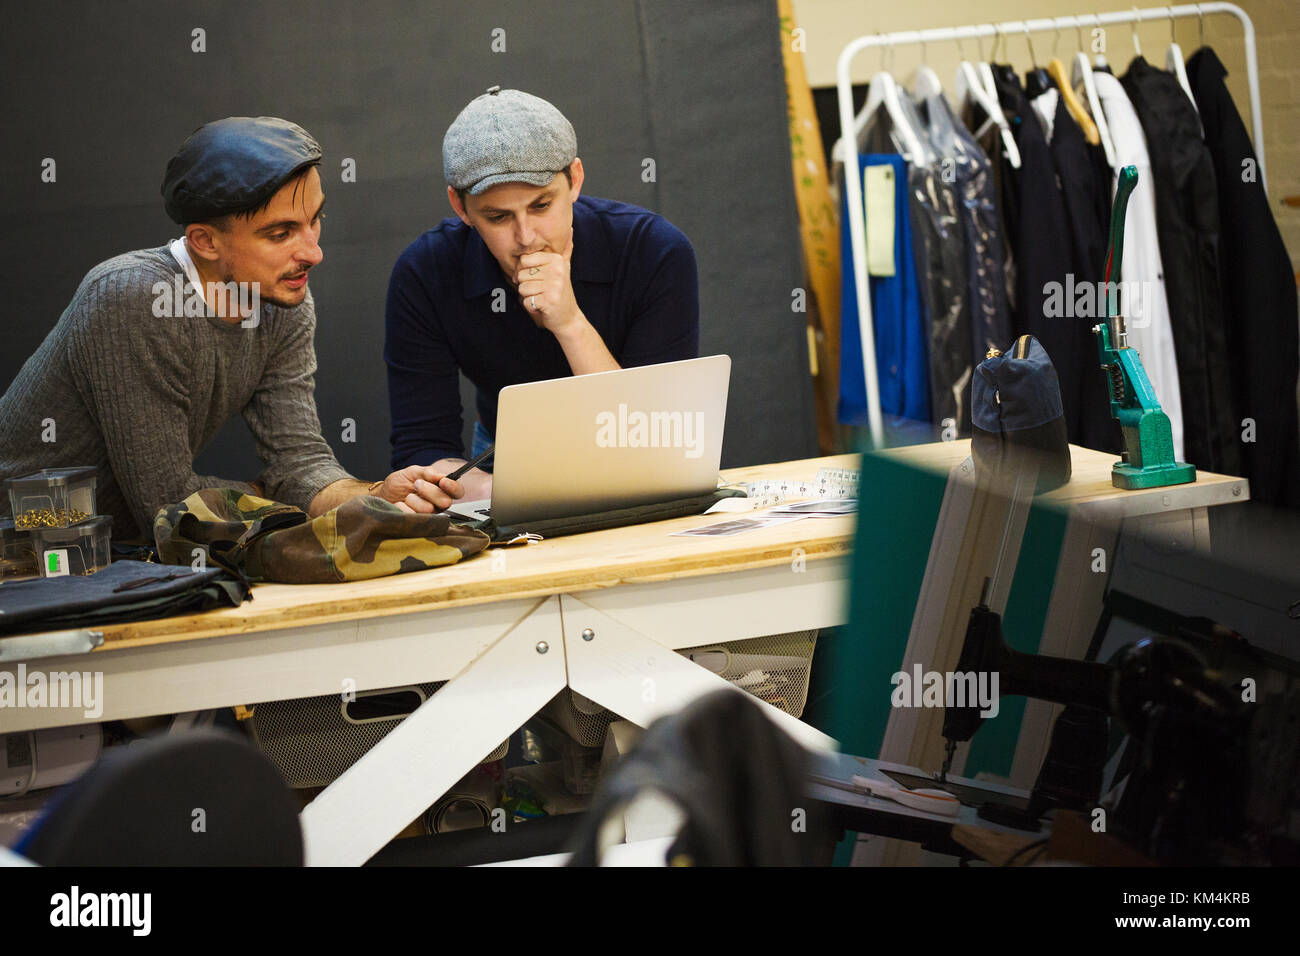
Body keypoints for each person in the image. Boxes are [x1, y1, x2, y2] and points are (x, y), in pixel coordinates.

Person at [0, 116, 463, 542]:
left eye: (315, 220)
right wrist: (271, 494)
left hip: (110, 551)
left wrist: (375, 495)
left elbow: (298, 461)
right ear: (204, 241)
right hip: (24, 542)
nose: (312, 252)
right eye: (280, 233)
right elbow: (168, 505)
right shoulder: (131, 297)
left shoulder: (282, 298)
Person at [385, 87, 700, 500]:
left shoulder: (652, 249)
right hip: (501, 464)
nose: (526, 237)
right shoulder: (425, 272)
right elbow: (423, 448)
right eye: (498, 217)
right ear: (460, 208)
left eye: (541, 205)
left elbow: (652, 444)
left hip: (636, 451)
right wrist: (514, 494)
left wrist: (569, 323)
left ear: (575, 180)